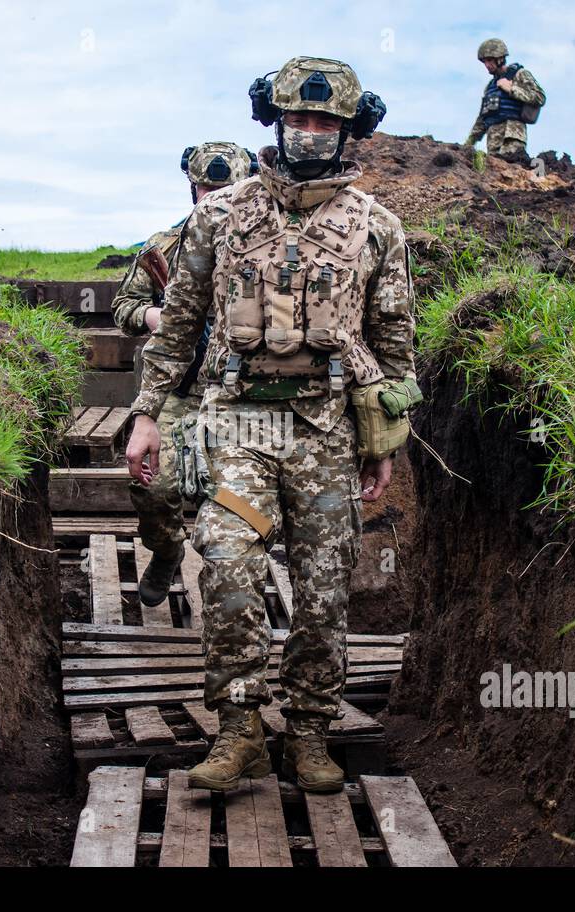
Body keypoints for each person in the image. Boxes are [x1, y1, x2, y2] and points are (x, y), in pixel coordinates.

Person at [124, 56, 420, 793]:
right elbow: (178, 324)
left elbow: (393, 339)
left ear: (349, 129)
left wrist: (385, 438)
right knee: (228, 561)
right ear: (274, 120)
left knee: (324, 588)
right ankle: (239, 729)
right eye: (297, 118)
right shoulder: (219, 216)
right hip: (237, 427)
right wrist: (148, 414)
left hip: (327, 431)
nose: (309, 131)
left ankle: (311, 732)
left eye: (324, 121)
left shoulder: (378, 227)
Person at [111, 143, 257, 606]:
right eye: (207, 189)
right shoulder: (166, 246)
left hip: (240, 396)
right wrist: (155, 316)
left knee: (240, 498)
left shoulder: (267, 247)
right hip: (175, 391)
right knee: (153, 486)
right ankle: (167, 548)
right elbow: (123, 307)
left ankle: (234, 586)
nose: (215, 198)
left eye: (227, 189)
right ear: (193, 188)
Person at [462, 38, 545, 166]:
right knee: (494, 171)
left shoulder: (519, 74)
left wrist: (511, 89)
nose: (487, 65)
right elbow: (483, 117)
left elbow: (539, 97)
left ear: (500, 58)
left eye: (490, 60)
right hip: (493, 140)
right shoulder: (490, 86)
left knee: (512, 168)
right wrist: (469, 143)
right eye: (484, 62)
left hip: (512, 134)